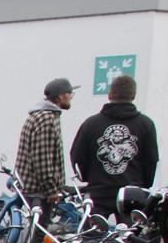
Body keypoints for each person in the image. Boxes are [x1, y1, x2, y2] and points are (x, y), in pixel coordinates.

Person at [70, 74, 159, 219]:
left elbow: (77, 156)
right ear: (134, 96)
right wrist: (143, 186)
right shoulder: (145, 124)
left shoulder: (91, 124)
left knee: (91, 238)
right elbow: (151, 160)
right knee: (130, 239)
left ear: (110, 95)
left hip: (98, 193)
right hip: (131, 195)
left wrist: (89, 178)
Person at [15, 78, 75, 211]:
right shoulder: (47, 120)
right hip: (39, 191)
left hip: (33, 186)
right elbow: (42, 159)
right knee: (40, 230)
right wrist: (52, 190)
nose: (71, 97)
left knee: (38, 229)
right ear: (61, 96)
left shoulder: (41, 115)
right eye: (69, 94)